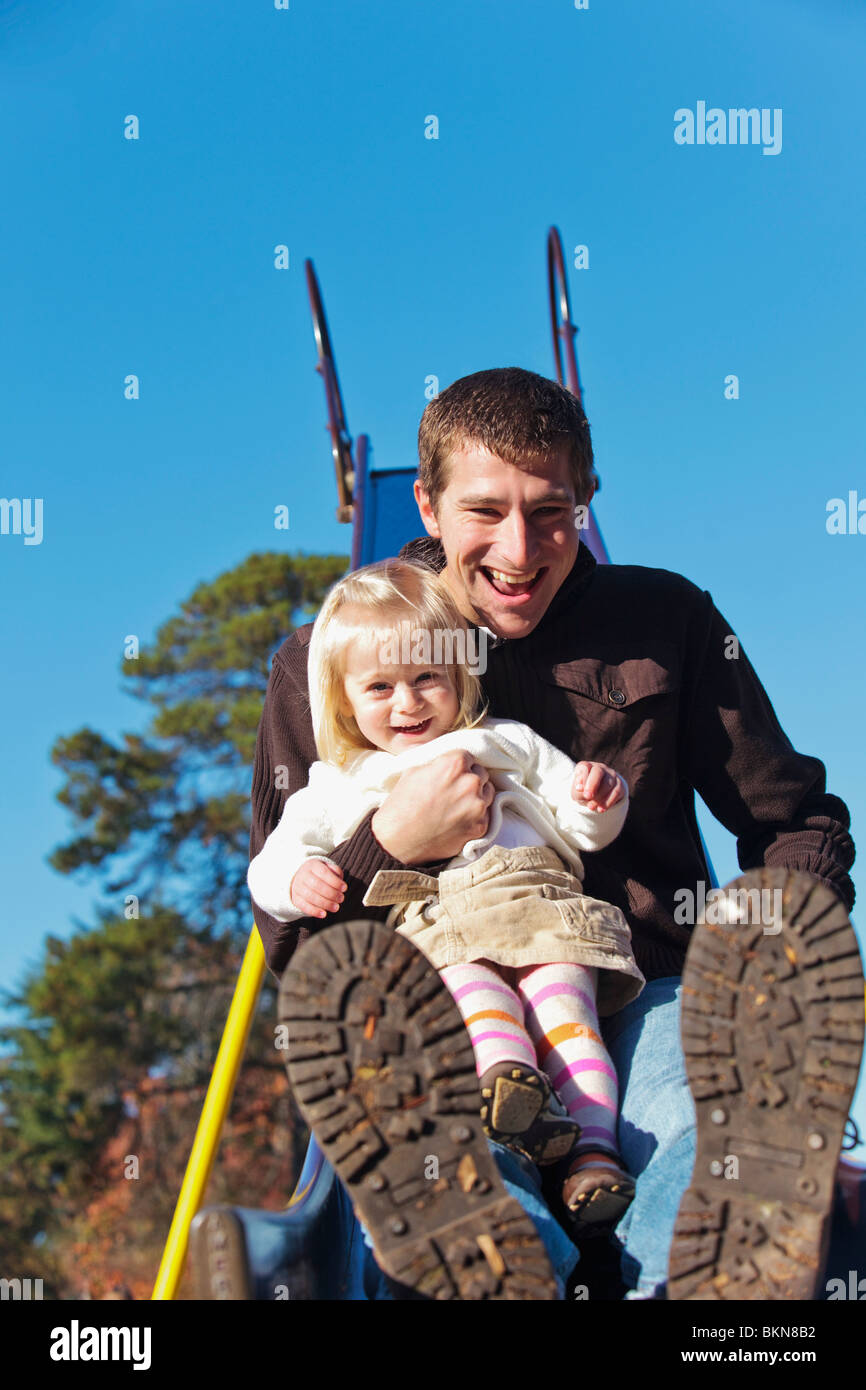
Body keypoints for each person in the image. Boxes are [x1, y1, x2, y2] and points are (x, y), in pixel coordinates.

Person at [250, 366, 859, 1299]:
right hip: (436, 988)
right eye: (485, 511)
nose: (520, 548)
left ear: (587, 500)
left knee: (698, 1123)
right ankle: (500, 1267)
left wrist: (771, 943)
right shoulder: (330, 660)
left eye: (551, 512)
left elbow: (794, 820)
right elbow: (298, 945)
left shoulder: (664, 621)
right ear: (426, 502)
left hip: (641, 980)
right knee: (457, 1148)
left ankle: (724, 1292)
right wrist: (389, 843)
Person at [248, 558, 647, 1230]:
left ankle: (595, 1160)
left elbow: (582, 825)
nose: (407, 703)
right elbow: (272, 863)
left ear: (458, 676)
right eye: (380, 687)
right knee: (477, 1004)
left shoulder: (504, 741)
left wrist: (600, 797)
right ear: (345, 700)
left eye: (426, 678)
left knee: (574, 1033)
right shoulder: (343, 782)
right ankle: (509, 1093)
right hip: (442, 932)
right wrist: (296, 881)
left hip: (541, 915)